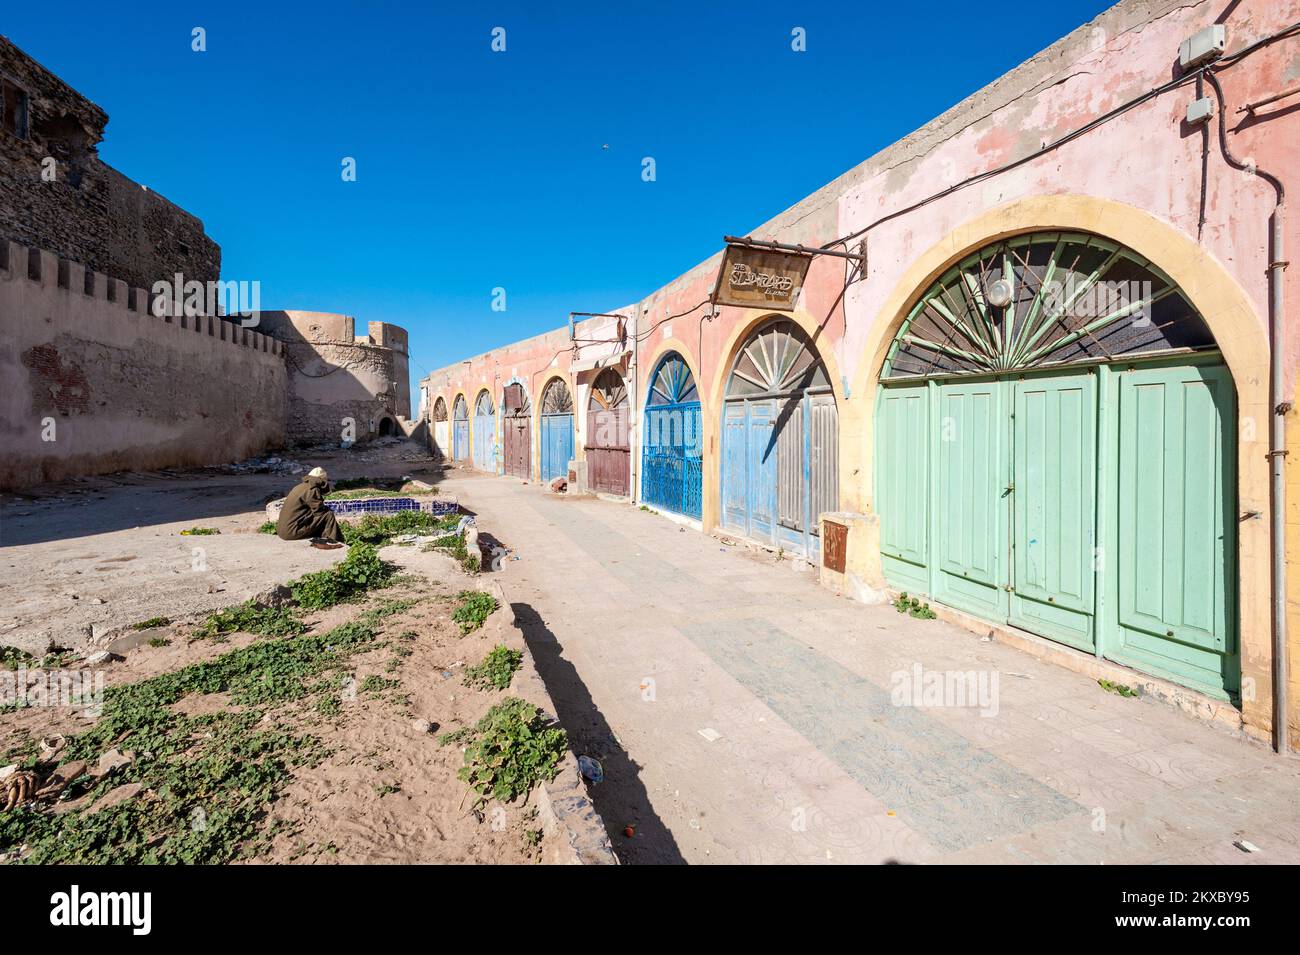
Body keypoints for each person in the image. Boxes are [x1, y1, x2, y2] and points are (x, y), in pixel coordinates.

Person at [276, 467, 345, 545]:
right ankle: (335, 542)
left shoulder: (300, 486)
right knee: (328, 515)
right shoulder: (312, 489)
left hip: (282, 531)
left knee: (321, 516)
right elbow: (319, 512)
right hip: (291, 532)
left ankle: (324, 538)